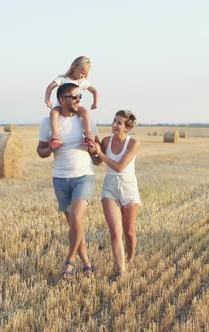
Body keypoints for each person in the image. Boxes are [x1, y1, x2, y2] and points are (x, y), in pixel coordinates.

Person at [37, 83, 101, 281]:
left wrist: (93, 149)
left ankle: (69, 263)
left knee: (75, 218)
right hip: (60, 179)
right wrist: (51, 149)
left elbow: (98, 159)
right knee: (75, 225)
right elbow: (40, 151)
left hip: (84, 176)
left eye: (80, 97)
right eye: (75, 97)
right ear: (62, 100)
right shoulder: (48, 123)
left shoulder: (87, 121)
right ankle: (87, 263)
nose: (79, 100)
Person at [93, 110, 141, 281]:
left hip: (128, 189)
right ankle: (121, 270)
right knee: (115, 232)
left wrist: (100, 153)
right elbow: (98, 162)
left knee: (129, 231)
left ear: (127, 127)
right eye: (114, 120)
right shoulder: (106, 140)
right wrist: (93, 148)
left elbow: (119, 167)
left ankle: (130, 258)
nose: (114, 124)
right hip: (109, 188)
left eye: (119, 122)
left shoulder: (133, 143)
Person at [44, 56, 99, 150]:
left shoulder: (82, 81)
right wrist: (47, 100)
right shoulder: (62, 78)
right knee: (53, 113)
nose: (83, 76)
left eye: (85, 74)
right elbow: (50, 87)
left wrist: (95, 103)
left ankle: (88, 137)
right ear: (74, 68)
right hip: (62, 105)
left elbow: (94, 91)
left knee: (85, 112)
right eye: (82, 73)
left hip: (76, 106)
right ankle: (55, 137)